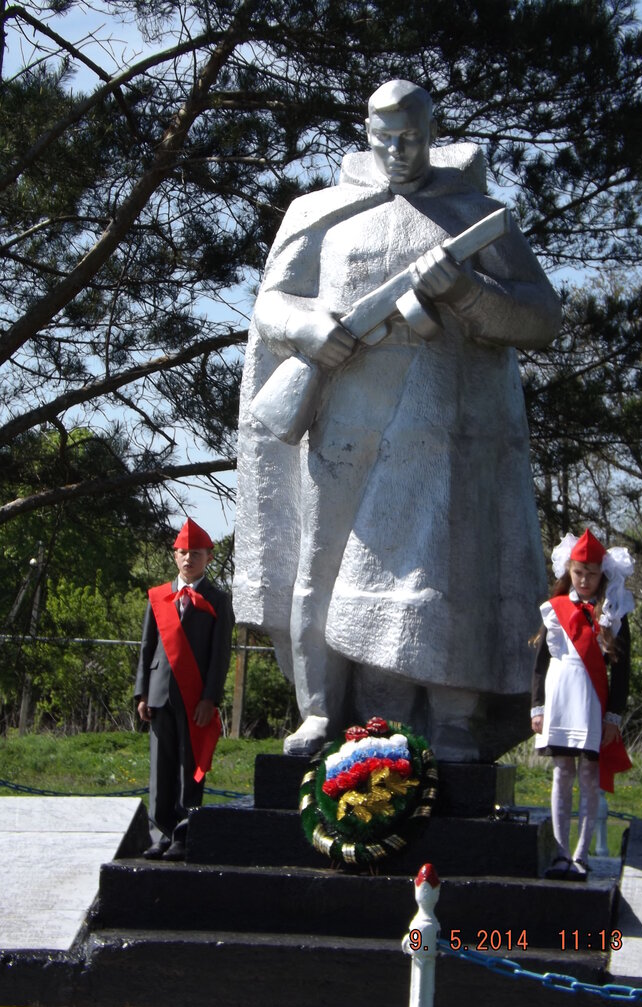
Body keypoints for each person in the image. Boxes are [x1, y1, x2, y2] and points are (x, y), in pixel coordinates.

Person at [233, 79, 561, 761]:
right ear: (366, 135)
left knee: (448, 566)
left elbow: (539, 316)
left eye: (412, 138)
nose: (399, 152)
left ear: (432, 133)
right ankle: (320, 713)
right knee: (318, 563)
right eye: (385, 139)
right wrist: (309, 326)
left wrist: (467, 291)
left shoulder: (474, 214)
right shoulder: (321, 211)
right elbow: (272, 303)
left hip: (443, 426)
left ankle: (452, 721)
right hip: (341, 413)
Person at [531, 529, 634, 881]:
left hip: (593, 704)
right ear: (569, 572)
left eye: (591, 573)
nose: (585, 579)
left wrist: (613, 717)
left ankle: (581, 855)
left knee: (589, 776)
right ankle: (560, 853)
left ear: (601, 573)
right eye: (579, 572)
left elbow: (622, 672)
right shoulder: (555, 609)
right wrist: (537, 707)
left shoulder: (615, 612)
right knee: (562, 774)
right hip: (559, 702)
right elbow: (541, 663)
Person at [135, 517, 233, 860]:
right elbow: (147, 648)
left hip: (196, 699)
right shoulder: (158, 596)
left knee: (189, 768)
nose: (188, 558)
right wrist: (142, 693)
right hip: (160, 693)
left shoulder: (219, 600)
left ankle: (183, 835)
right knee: (160, 769)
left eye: (195, 553)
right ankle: (159, 835)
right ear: (174, 556)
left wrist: (210, 698)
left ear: (209, 557)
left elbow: (220, 656)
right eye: (182, 553)